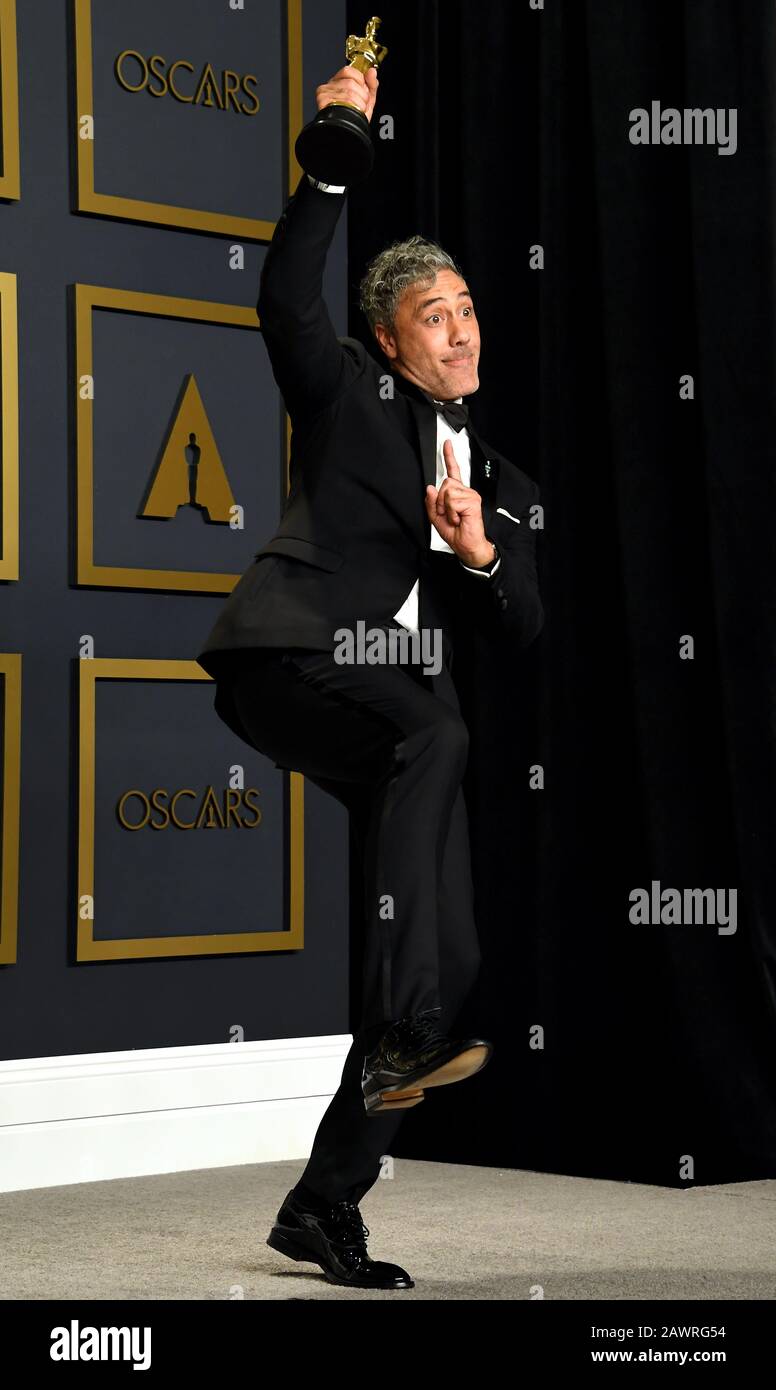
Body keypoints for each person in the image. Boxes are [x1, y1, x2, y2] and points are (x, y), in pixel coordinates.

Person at [195, 62, 544, 1290]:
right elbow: (287, 298)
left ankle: (322, 1207)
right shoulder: (348, 394)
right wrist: (334, 146)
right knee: (435, 739)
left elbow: (524, 625)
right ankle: (398, 1032)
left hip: (393, 706)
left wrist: (483, 550)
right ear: (390, 340)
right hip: (291, 656)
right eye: (434, 313)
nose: (462, 325)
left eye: (468, 306)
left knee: (445, 962)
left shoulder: (494, 476)